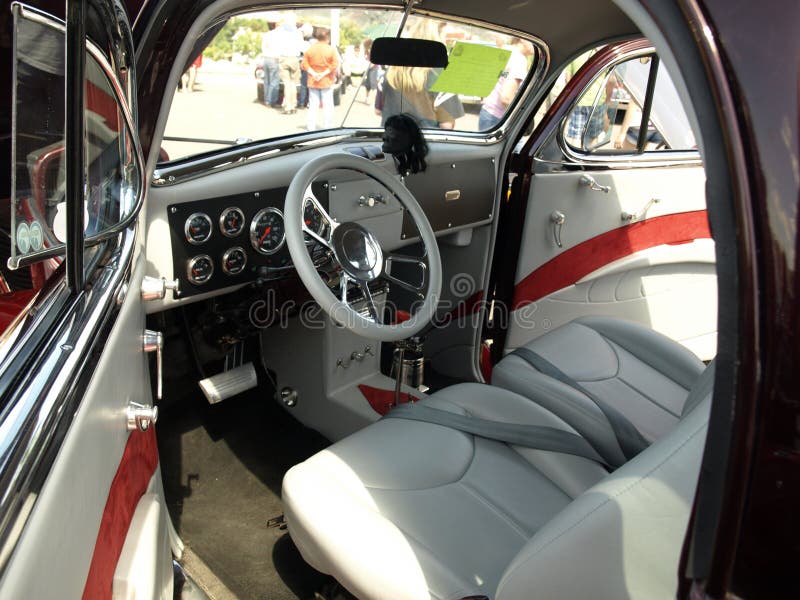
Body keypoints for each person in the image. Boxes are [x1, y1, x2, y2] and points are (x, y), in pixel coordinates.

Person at [375, 20, 464, 129]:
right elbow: (446, 125)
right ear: (437, 41)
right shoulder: (441, 76)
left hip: (391, 140)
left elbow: (378, 111)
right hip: (424, 143)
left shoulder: (390, 72)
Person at [478, 38, 534, 130]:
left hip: (488, 112)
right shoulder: (519, 60)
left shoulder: (504, 51)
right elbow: (506, 98)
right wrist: (522, 118)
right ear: (523, 39)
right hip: (500, 118)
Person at [301, 29, 339, 130]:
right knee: (328, 105)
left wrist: (314, 73)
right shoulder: (330, 50)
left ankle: (311, 127)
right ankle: (328, 126)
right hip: (326, 80)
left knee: (313, 105)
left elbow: (304, 64)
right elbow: (334, 64)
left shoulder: (310, 49)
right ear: (327, 38)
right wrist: (323, 74)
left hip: (313, 80)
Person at [273, 13, 304, 114]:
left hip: (283, 58)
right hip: (294, 58)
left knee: (286, 83)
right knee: (293, 83)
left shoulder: (279, 31)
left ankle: (287, 107)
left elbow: (275, 45)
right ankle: (293, 105)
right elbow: (301, 47)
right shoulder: (298, 32)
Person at [260, 24, 280, 107]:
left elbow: (263, 46)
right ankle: (271, 100)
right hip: (274, 59)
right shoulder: (277, 35)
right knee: (274, 82)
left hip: (266, 58)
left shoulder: (266, 35)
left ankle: (266, 100)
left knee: (267, 81)